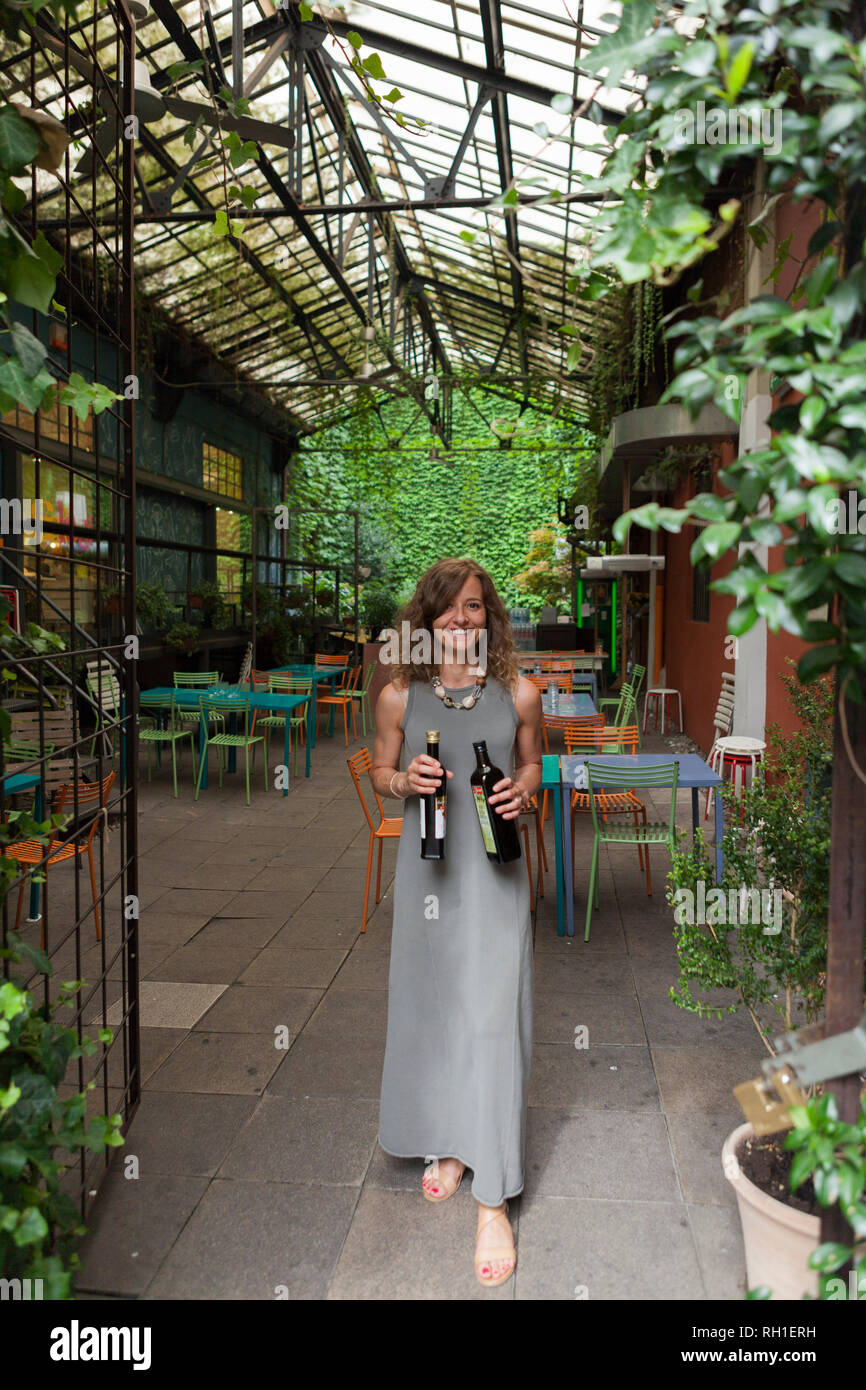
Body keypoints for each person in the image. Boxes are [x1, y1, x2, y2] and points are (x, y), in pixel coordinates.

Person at [371, 557, 542, 1287]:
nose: (460, 619)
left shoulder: (520, 693)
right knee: (437, 1008)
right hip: (428, 878)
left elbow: (534, 769)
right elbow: (379, 773)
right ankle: (448, 1138)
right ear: (426, 619)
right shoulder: (398, 697)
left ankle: (493, 1198)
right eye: (446, 608)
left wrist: (522, 793)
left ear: (488, 616)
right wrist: (402, 780)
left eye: (473, 607)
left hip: (496, 878)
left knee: (493, 1018)